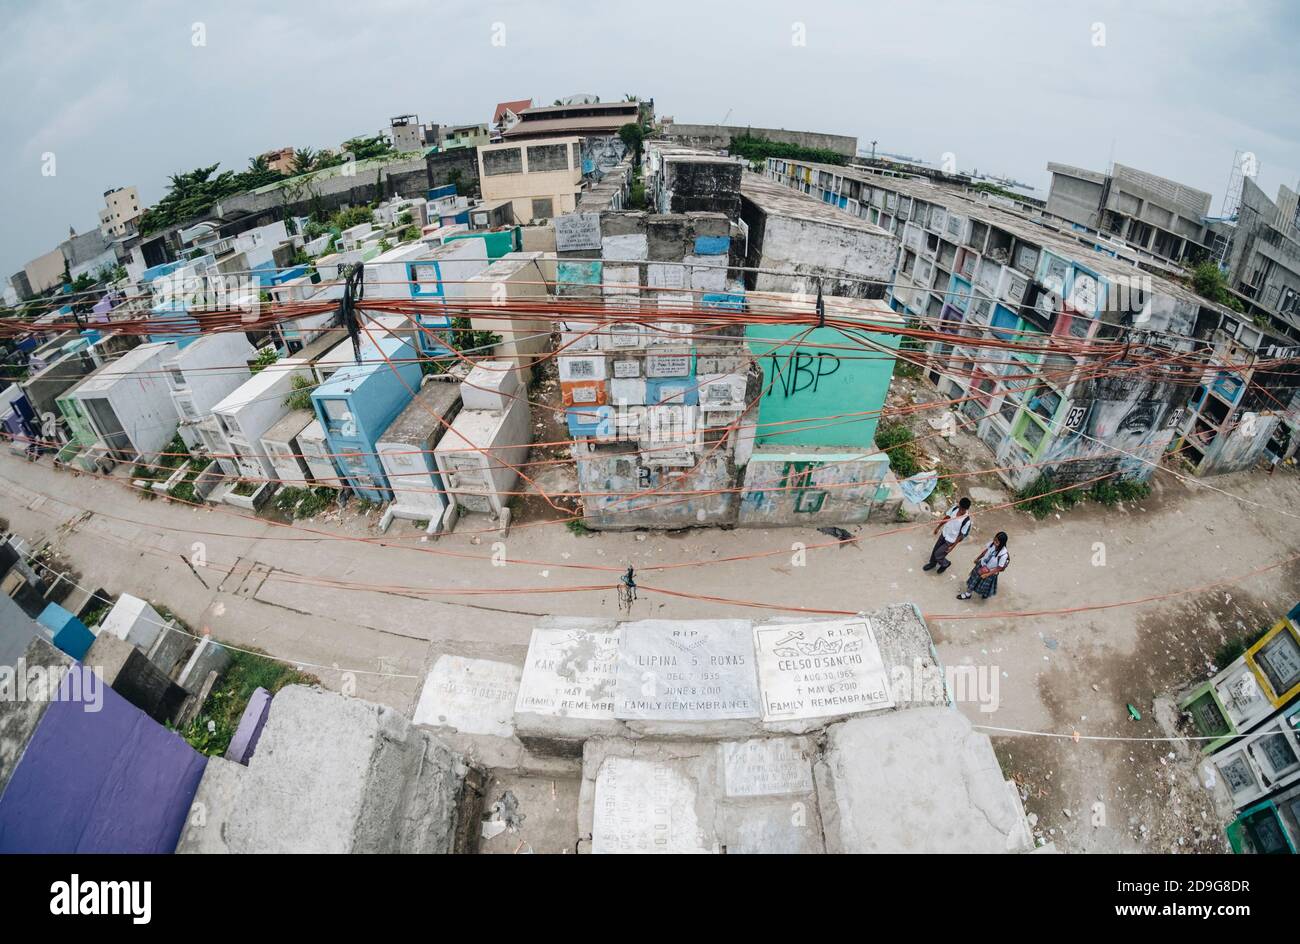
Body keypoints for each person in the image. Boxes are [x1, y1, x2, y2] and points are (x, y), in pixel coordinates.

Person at [923, 497, 972, 575]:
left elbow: (961, 536)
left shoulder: (967, 521)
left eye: (963, 510)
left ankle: (945, 564)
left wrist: (952, 547)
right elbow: (947, 518)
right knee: (935, 550)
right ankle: (932, 564)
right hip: (944, 533)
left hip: (951, 540)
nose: (961, 511)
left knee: (938, 554)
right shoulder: (954, 509)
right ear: (959, 505)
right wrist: (938, 527)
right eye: (960, 508)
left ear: (967, 509)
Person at [958, 531, 1010, 601]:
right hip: (981, 566)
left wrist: (987, 574)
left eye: (997, 542)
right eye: (995, 539)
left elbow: (999, 567)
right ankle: (968, 594)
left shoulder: (1003, 554)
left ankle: (985, 594)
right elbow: (985, 551)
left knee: (984, 586)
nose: (994, 542)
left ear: (1002, 543)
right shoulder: (992, 544)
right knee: (973, 580)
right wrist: (978, 558)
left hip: (990, 572)